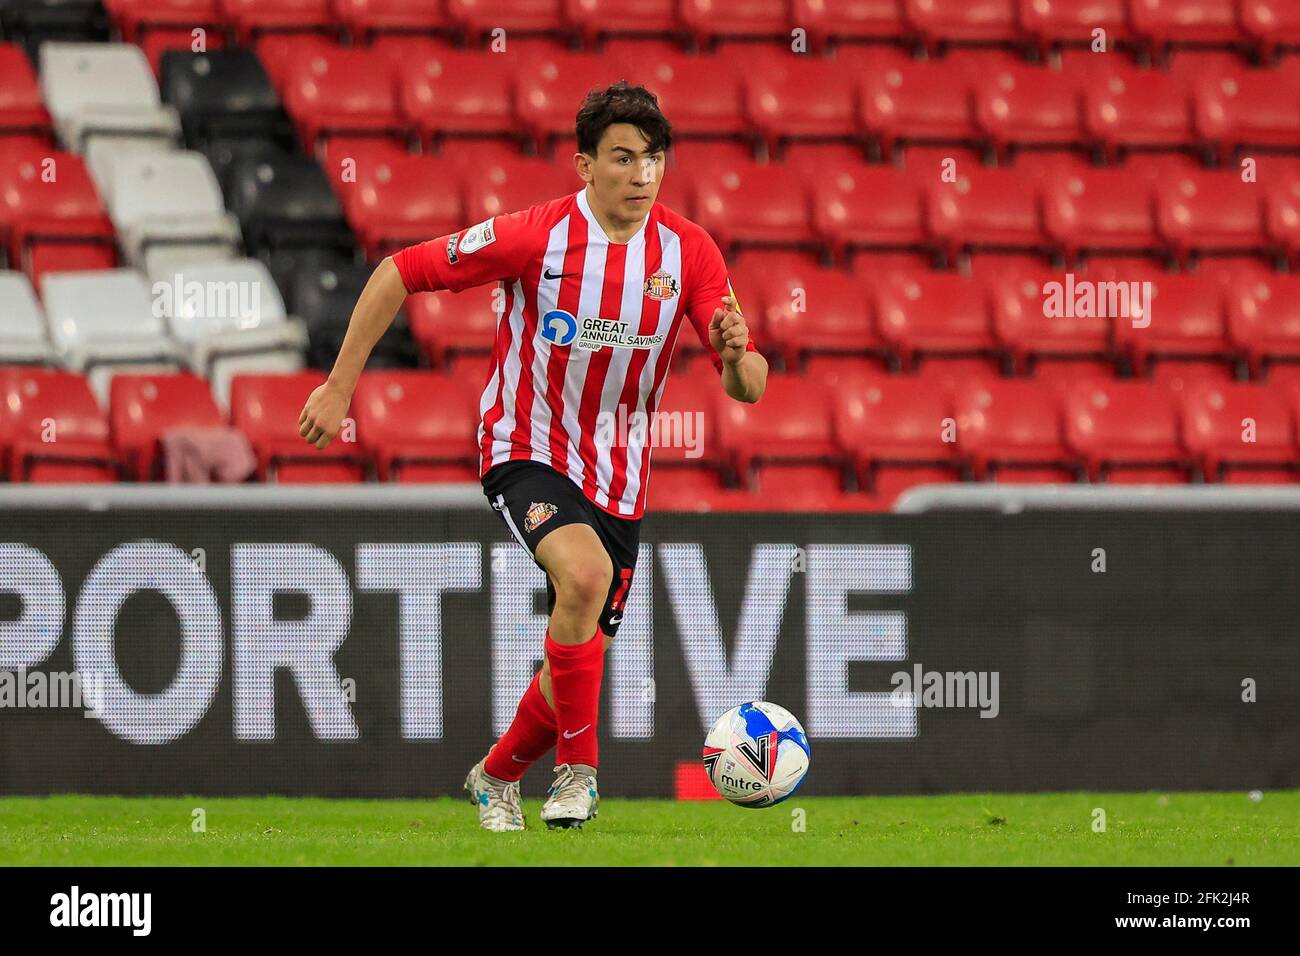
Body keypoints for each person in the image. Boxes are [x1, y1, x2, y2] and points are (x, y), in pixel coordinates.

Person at [297, 81, 768, 830]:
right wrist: (338, 385)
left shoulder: (688, 252)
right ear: (585, 166)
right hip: (526, 445)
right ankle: (578, 777)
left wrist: (738, 355)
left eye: (653, 159)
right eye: (623, 158)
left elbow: (748, 386)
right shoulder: (535, 237)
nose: (642, 175)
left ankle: (494, 776)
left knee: (568, 661)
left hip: (620, 475)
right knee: (582, 576)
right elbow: (399, 271)